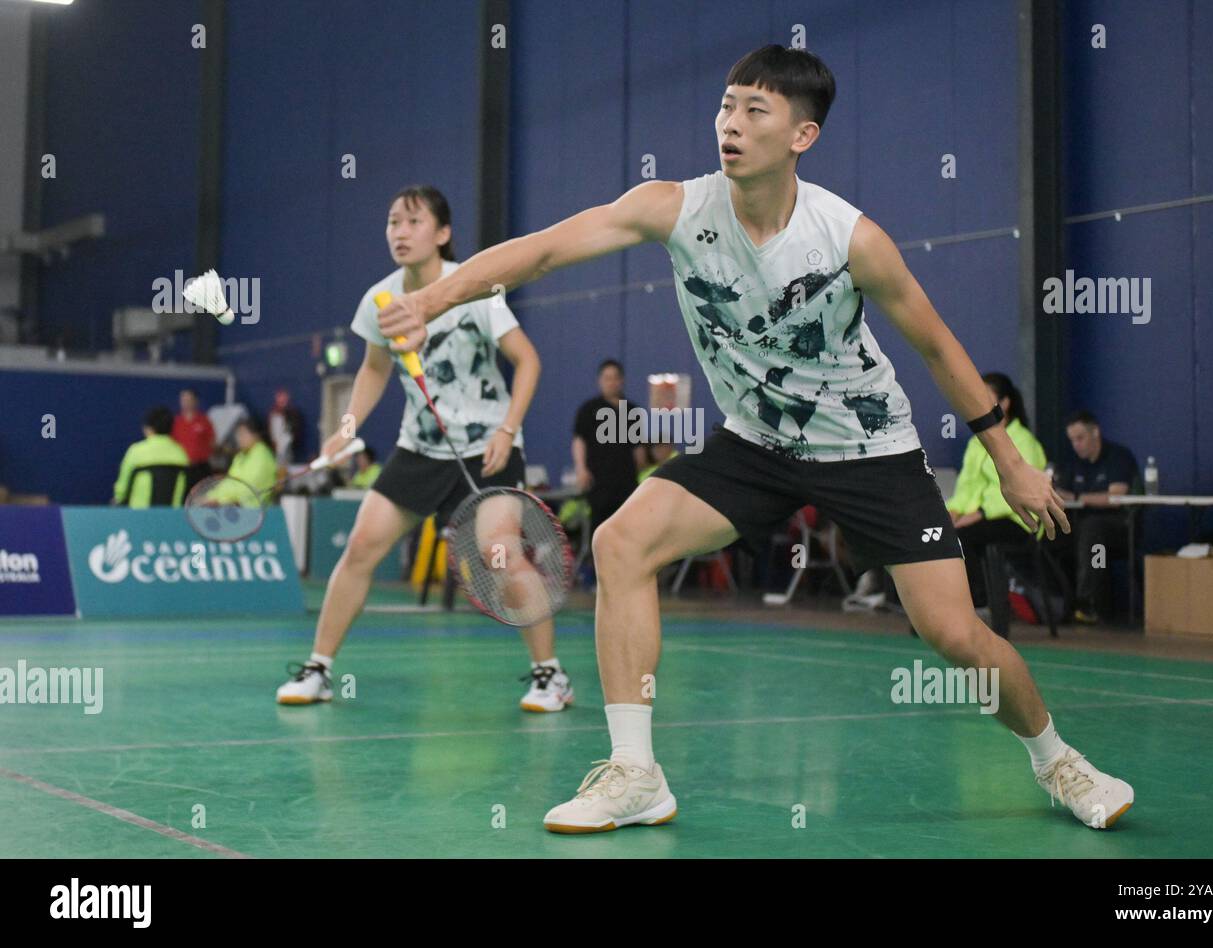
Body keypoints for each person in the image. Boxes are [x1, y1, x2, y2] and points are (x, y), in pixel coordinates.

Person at [375, 46, 1132, 833]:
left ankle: (1058, 760)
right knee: (623, 540)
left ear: (802, 135)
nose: (730, 124)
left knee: (953, 634)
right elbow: (544, 248)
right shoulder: (673, 207)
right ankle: (636, 773)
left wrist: (1008, 461)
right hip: (757, 444)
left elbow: (939, 347)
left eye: (754, 111)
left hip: (868, 448)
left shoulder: (850, 239)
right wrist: (439, 296)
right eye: (727, 106)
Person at [277, 184, 572, 714]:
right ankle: (318, 668)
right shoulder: (381, 299)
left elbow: (528, 362)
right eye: (393, 222)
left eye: (413, 222)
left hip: (488, 448)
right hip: (420, 448)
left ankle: (550, 675)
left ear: (442, 234)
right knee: (362, 546)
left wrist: (508, 429)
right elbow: (372, 369)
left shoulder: (475, 291)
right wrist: (346, 426)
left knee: (498, 551)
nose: (400, 232)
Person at [946, 373, 1047, 611]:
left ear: (1005, 403)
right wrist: (954, 512)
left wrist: (980, 512)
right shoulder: (976, 442)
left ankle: (980, 605)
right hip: (979, 517)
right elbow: (967, 486)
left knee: (963, 537)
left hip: (1018, 520)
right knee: (937, 534)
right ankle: (942, 609)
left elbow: (1022, 491)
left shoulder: (1025, 442)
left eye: (986, 397)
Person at [1052, 409, 1138, 622]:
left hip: (1119, 528)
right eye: (1072, 440)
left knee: (1092, 537)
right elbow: (1062, 493)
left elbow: (1116, 496)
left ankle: (1089, 604)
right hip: (1082, 527)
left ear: (1095, 433)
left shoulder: (1118, 456)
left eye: (1080, 438)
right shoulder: (1074, 463)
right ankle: (1054, 603)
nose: (1076, 444)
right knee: (1049, 536)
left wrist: (1078, 496)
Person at [572, 359, 647, 533]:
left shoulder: (631, 411)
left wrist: (641, 470)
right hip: (599, 480)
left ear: (622, 380)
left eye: (615, 378)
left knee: (627, 526)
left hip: (626, 481)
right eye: (607, 378)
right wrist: (581, 468)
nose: (611, 382)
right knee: (600, 527)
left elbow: (638, 448)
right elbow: (579, 440)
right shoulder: (589, 409)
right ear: (600, 381)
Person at [112, 406, 190, 508]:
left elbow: (121, 491)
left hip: (137, 518)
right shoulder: (181, 454)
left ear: (148, 428)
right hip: (172, 519)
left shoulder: (135, 451)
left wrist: (118, 499)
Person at [173, 389, 216, 487]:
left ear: (196, 401)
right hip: (182, 468)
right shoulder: (176, 422)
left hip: (201, 468)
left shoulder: (205, 421)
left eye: (189, 400)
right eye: (183, 400)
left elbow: (212, 442)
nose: (186, 403)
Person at [267, 388, 305, 466]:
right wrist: (275, 443)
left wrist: (290, 439)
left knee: (286, 461)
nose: (282, 402)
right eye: (280, 400)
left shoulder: (292, 414)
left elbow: (295, 430)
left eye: (284, 400)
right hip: (278, 448)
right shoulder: (273, 414)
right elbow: (273, 432)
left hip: (288, 444)